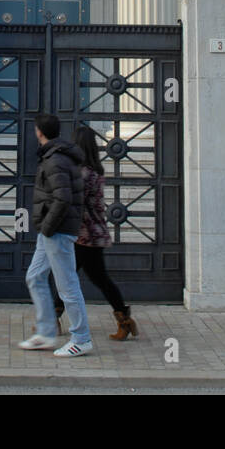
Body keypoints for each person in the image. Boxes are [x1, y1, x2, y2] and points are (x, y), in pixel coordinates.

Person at [50, 125, 138, 340]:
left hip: (84, 236)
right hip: (93, 235)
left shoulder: (83, 174)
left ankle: (52, 321)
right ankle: (124, 320)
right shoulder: (95, 171)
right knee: (97, 279)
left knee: (68, 278)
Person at [17, 113, 93, 357]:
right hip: (51, 231)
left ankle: (81, 339)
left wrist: (48, 227)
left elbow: (63, 198)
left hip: (57, 231)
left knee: (67, 286)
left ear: (39, 132)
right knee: (35, 277)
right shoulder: (57, 157)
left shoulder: (55, 160)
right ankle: (46, 332)